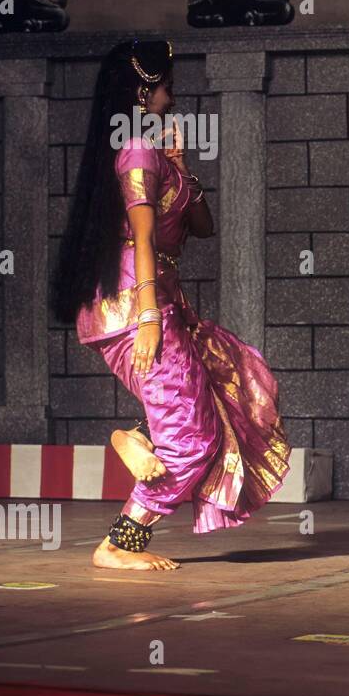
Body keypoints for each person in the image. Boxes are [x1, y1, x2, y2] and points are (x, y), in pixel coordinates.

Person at [51, 38, 290, 570]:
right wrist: (150, 317)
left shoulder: (158, 152)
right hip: (138, 309)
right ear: (142, 92)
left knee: (231, 389)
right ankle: (120, 541)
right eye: (164, 85)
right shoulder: (136, 150)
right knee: (192, 440)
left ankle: (137, 435)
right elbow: (141, 238)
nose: (172, 92)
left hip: (163, 303)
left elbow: (202, 229)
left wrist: (184, 168)